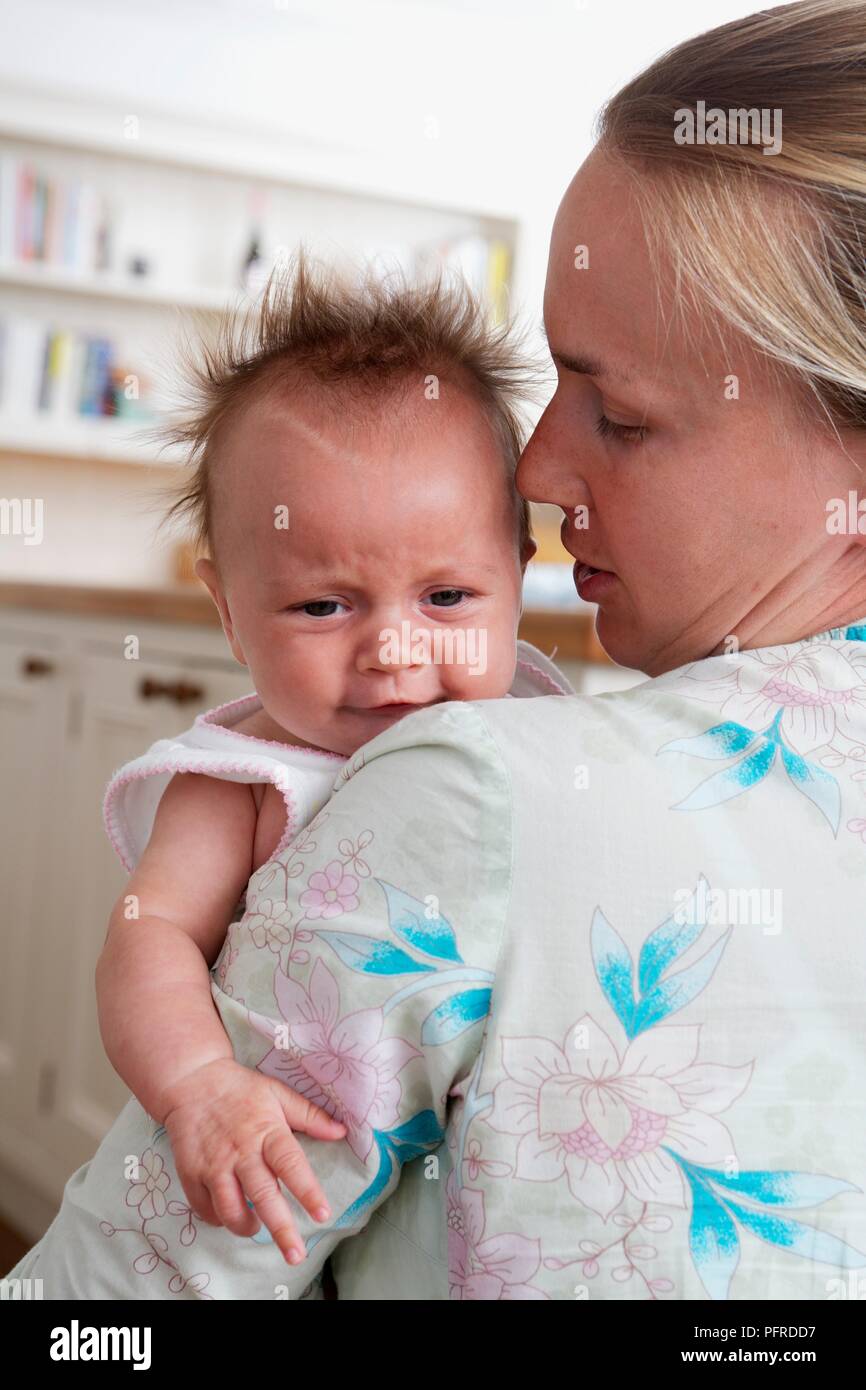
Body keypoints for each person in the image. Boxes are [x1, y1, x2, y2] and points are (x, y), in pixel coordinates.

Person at [7, 0, 866, 1300]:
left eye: (619, 414)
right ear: (224, 601)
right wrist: (196, 1085)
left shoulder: (475, 789)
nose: (534, 466)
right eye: (323, 602)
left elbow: (105, 1306)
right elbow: (150, 937)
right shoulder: (278, 769)